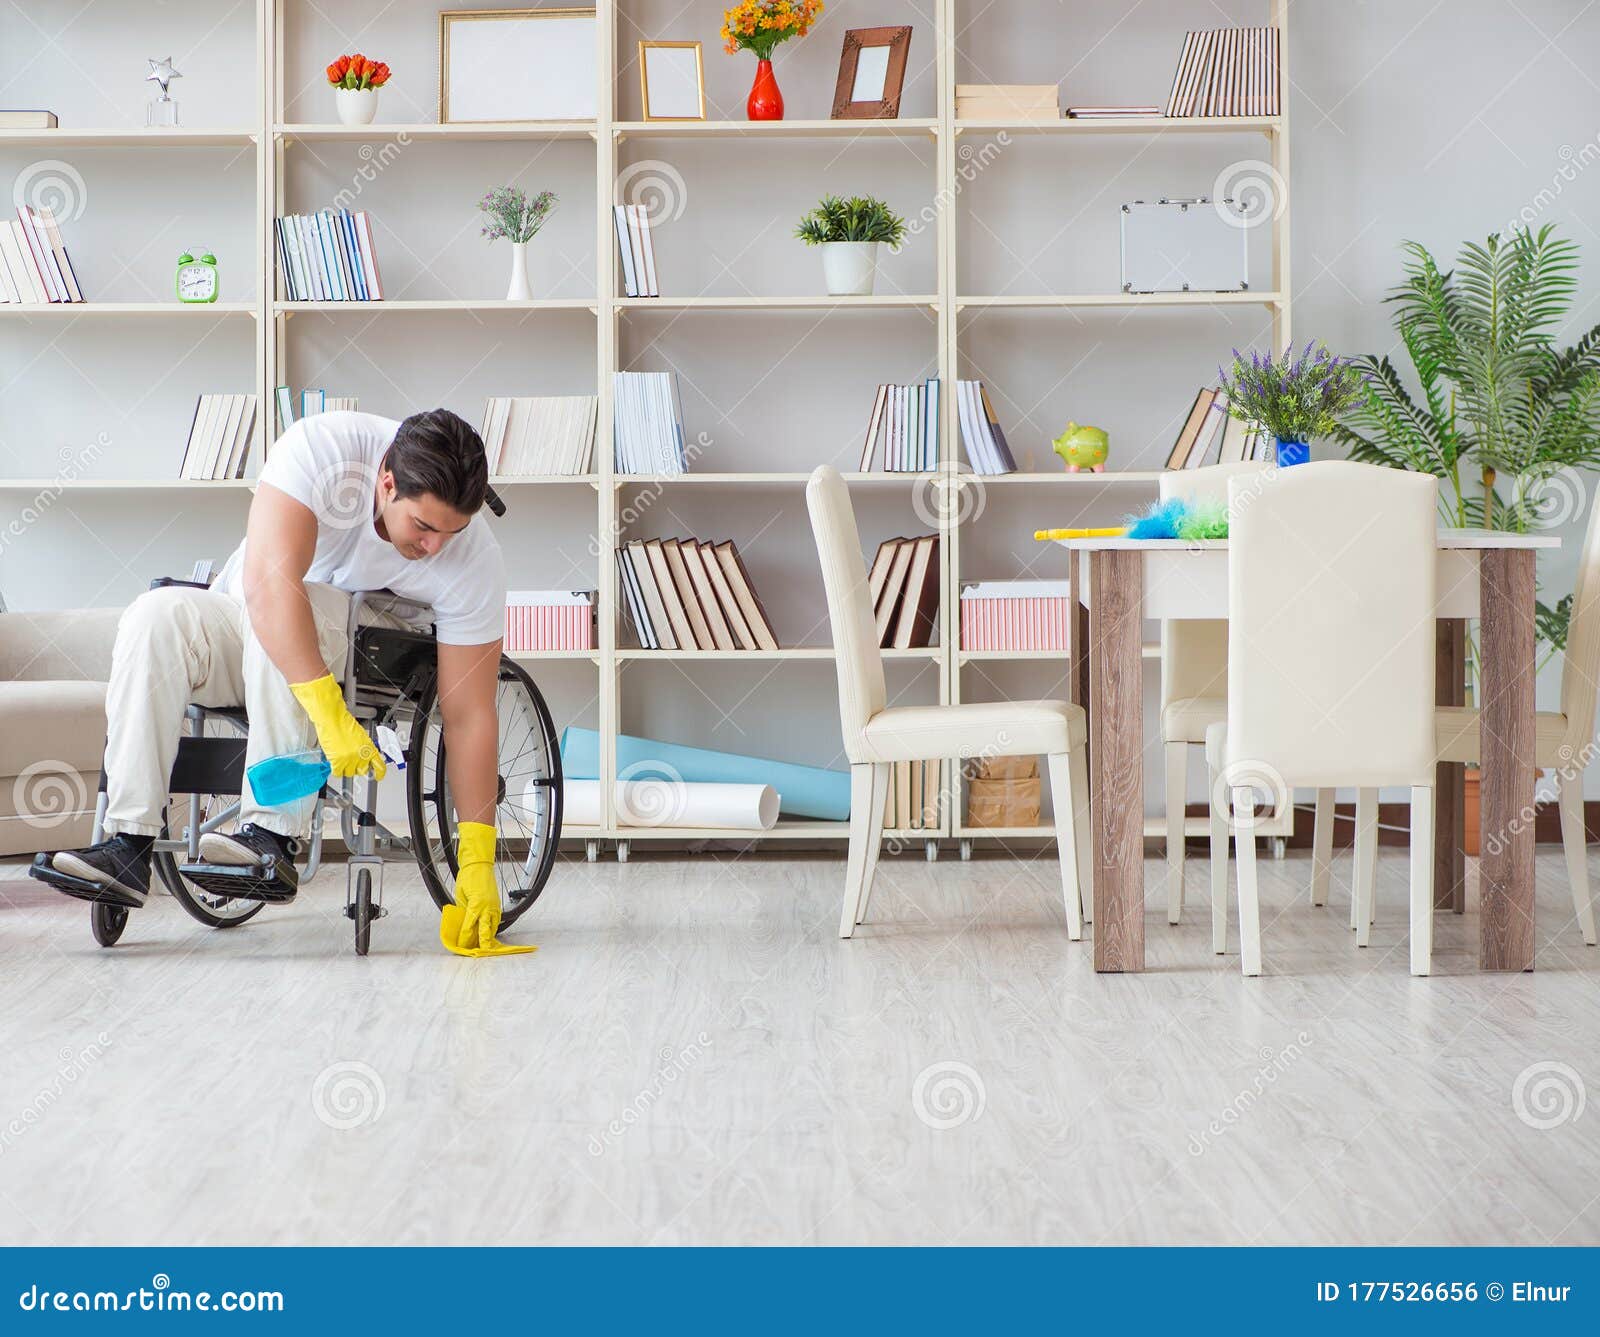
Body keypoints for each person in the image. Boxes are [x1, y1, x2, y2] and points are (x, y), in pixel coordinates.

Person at [32, 409, 532, 958]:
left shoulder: (474, 560)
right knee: (156, 615)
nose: (435, 547)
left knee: (301, 607)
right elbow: (267, 587)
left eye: (450, 533)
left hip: (356, 648)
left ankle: (270, 835)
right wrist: (327, 715)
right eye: (424, 527)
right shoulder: (325, 449)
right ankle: (127, 843)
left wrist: (478, 860)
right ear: (387, 483)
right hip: (247, 613)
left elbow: (468, 714)